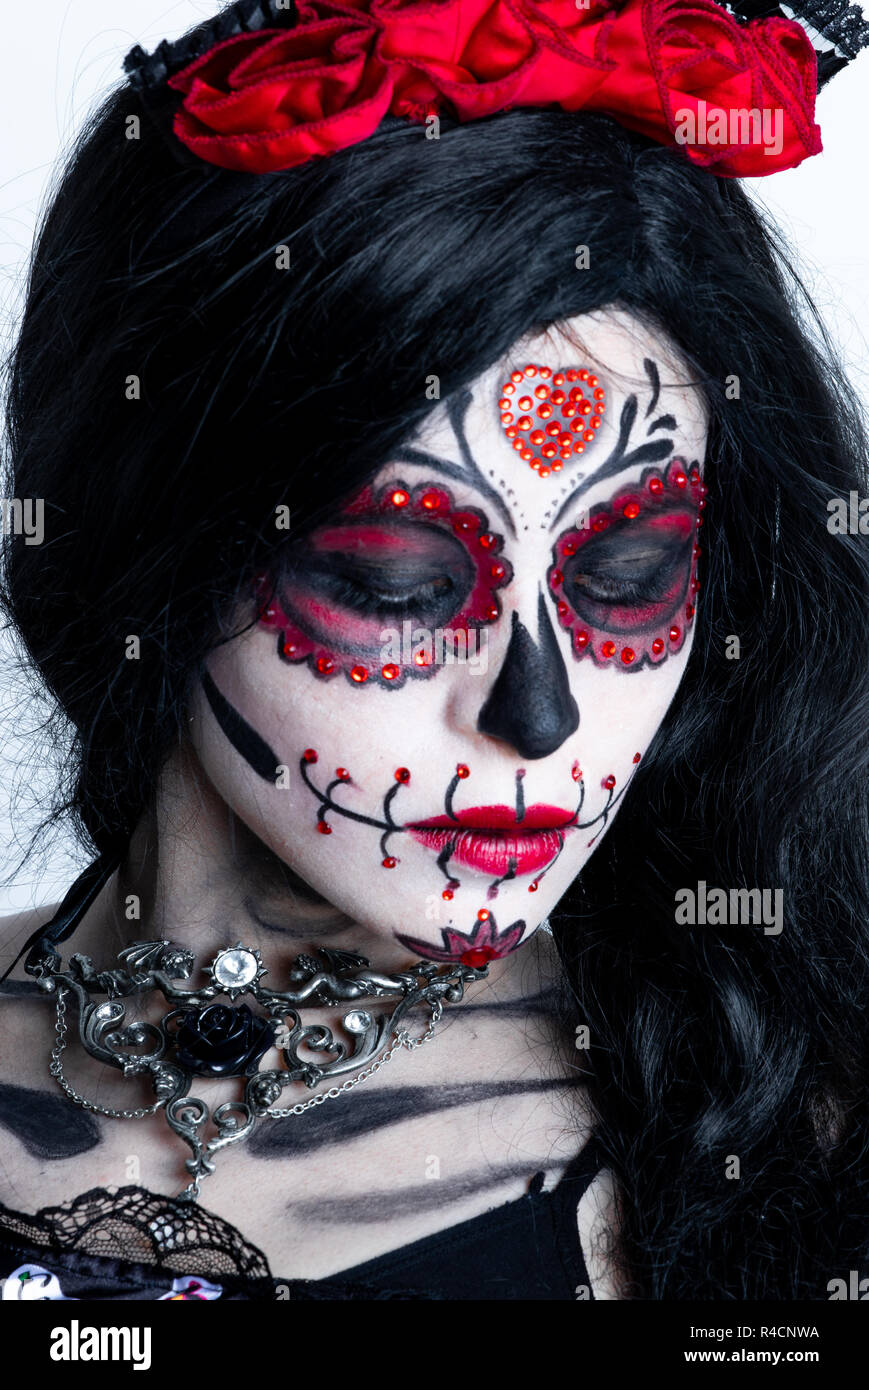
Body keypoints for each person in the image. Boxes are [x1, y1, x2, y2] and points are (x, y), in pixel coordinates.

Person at [0, 0, 867, 1301]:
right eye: (398, 579)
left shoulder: (779, 1120)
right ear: (156, 552)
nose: (541, 714)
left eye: (626, 577)